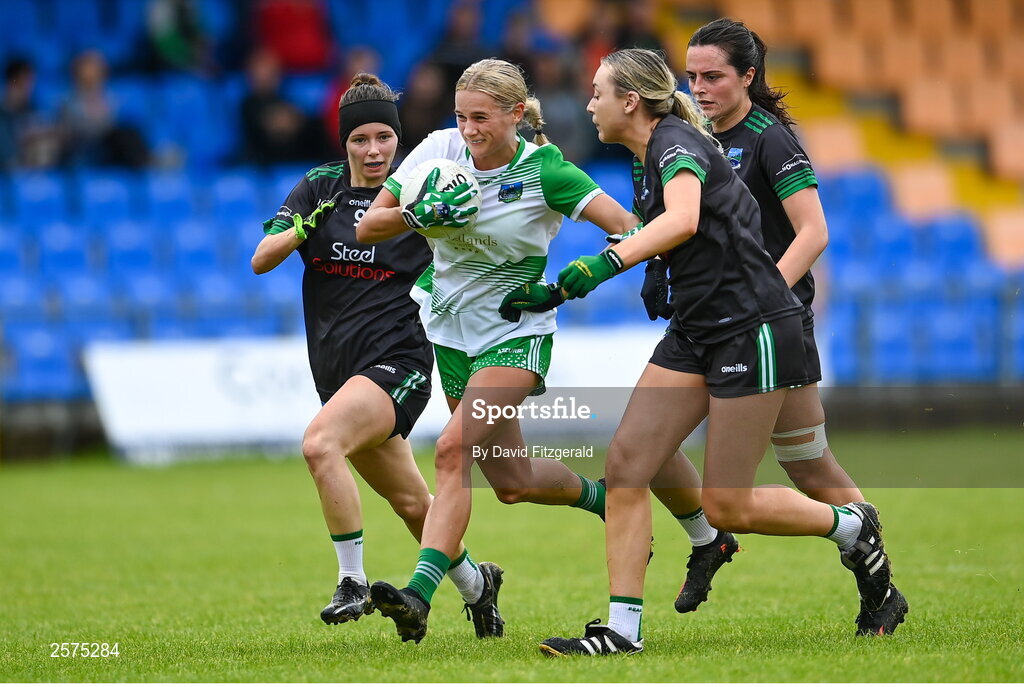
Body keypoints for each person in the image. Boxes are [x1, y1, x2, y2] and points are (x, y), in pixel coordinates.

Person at [520, 48, 905, 656]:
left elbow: (682, 220)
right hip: (697, 330)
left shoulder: (676, 143)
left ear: (630, 101)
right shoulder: (647, 158)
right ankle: (622, 632)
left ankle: (851, 526)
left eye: (598, 93)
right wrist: (604, 279)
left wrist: (604, 263)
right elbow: (667, 231)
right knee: (628, 464)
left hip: (750, 328)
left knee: (731, 502)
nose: (589, 104)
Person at [355, 58, 669, 645]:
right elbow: (368, 227)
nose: (468, 130)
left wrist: (577, 279)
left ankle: (419, 594)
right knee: (512, 480)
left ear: (516, 114)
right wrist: (419, 213)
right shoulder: (439, 151)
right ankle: (607, 500)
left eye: (481, 118)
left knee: (451, 451)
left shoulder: (545, 170)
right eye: (461, 116)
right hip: (450, 332)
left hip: (514, 334)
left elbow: (631, 226)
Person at [251, 73, 500, 637]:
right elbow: (261, 259)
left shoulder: (420, 190)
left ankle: (351, 581)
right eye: (360, 139)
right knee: (413, 503)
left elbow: (477, 246)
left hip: (399, 361)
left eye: (384, 137)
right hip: (337, 371)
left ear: (398, 138)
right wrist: (300, 230)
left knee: (320, 444)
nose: (373, 150)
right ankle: (478, 587)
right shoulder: (319, 187)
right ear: (344, 143)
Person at [680, 18, 864, 508]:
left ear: (748, 76)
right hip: (717, 319)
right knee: (806, 461)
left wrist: (761, 296)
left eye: (712, 77)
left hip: (764, 321)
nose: (698, 88)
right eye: (692, 77)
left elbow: (814, 231)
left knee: (805, 462)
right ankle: (710, 541)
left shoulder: (770, 138)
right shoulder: (698, 136)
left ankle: (866, 543)